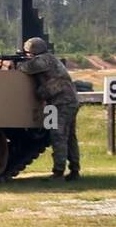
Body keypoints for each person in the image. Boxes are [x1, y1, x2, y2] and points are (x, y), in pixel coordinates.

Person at [14, 37, 80, 180]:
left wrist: (19, 62)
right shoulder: (51, 59)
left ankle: (58, 172)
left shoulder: (42, 60)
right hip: (68, 100)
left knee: (58, 135)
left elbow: (23, 68)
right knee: (70, 137)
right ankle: (74, 169)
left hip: (61, 102)